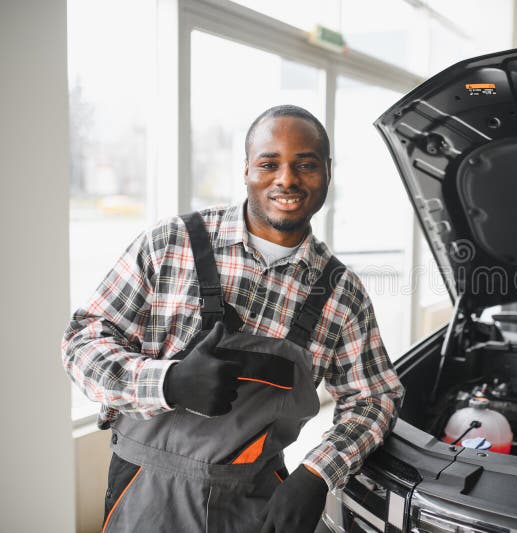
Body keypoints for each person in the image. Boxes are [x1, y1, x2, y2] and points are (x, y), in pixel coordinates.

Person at [62, 105, 405, 533]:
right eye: (269, 163)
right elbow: (82, 341)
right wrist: (167, 382)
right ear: (246, 169)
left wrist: (318, 473)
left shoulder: (341, 293)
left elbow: (375, 399)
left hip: (256, 506)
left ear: (327, 173)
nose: (287, 179)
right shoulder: (170, 244)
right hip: (143, 494)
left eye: (306, 165)